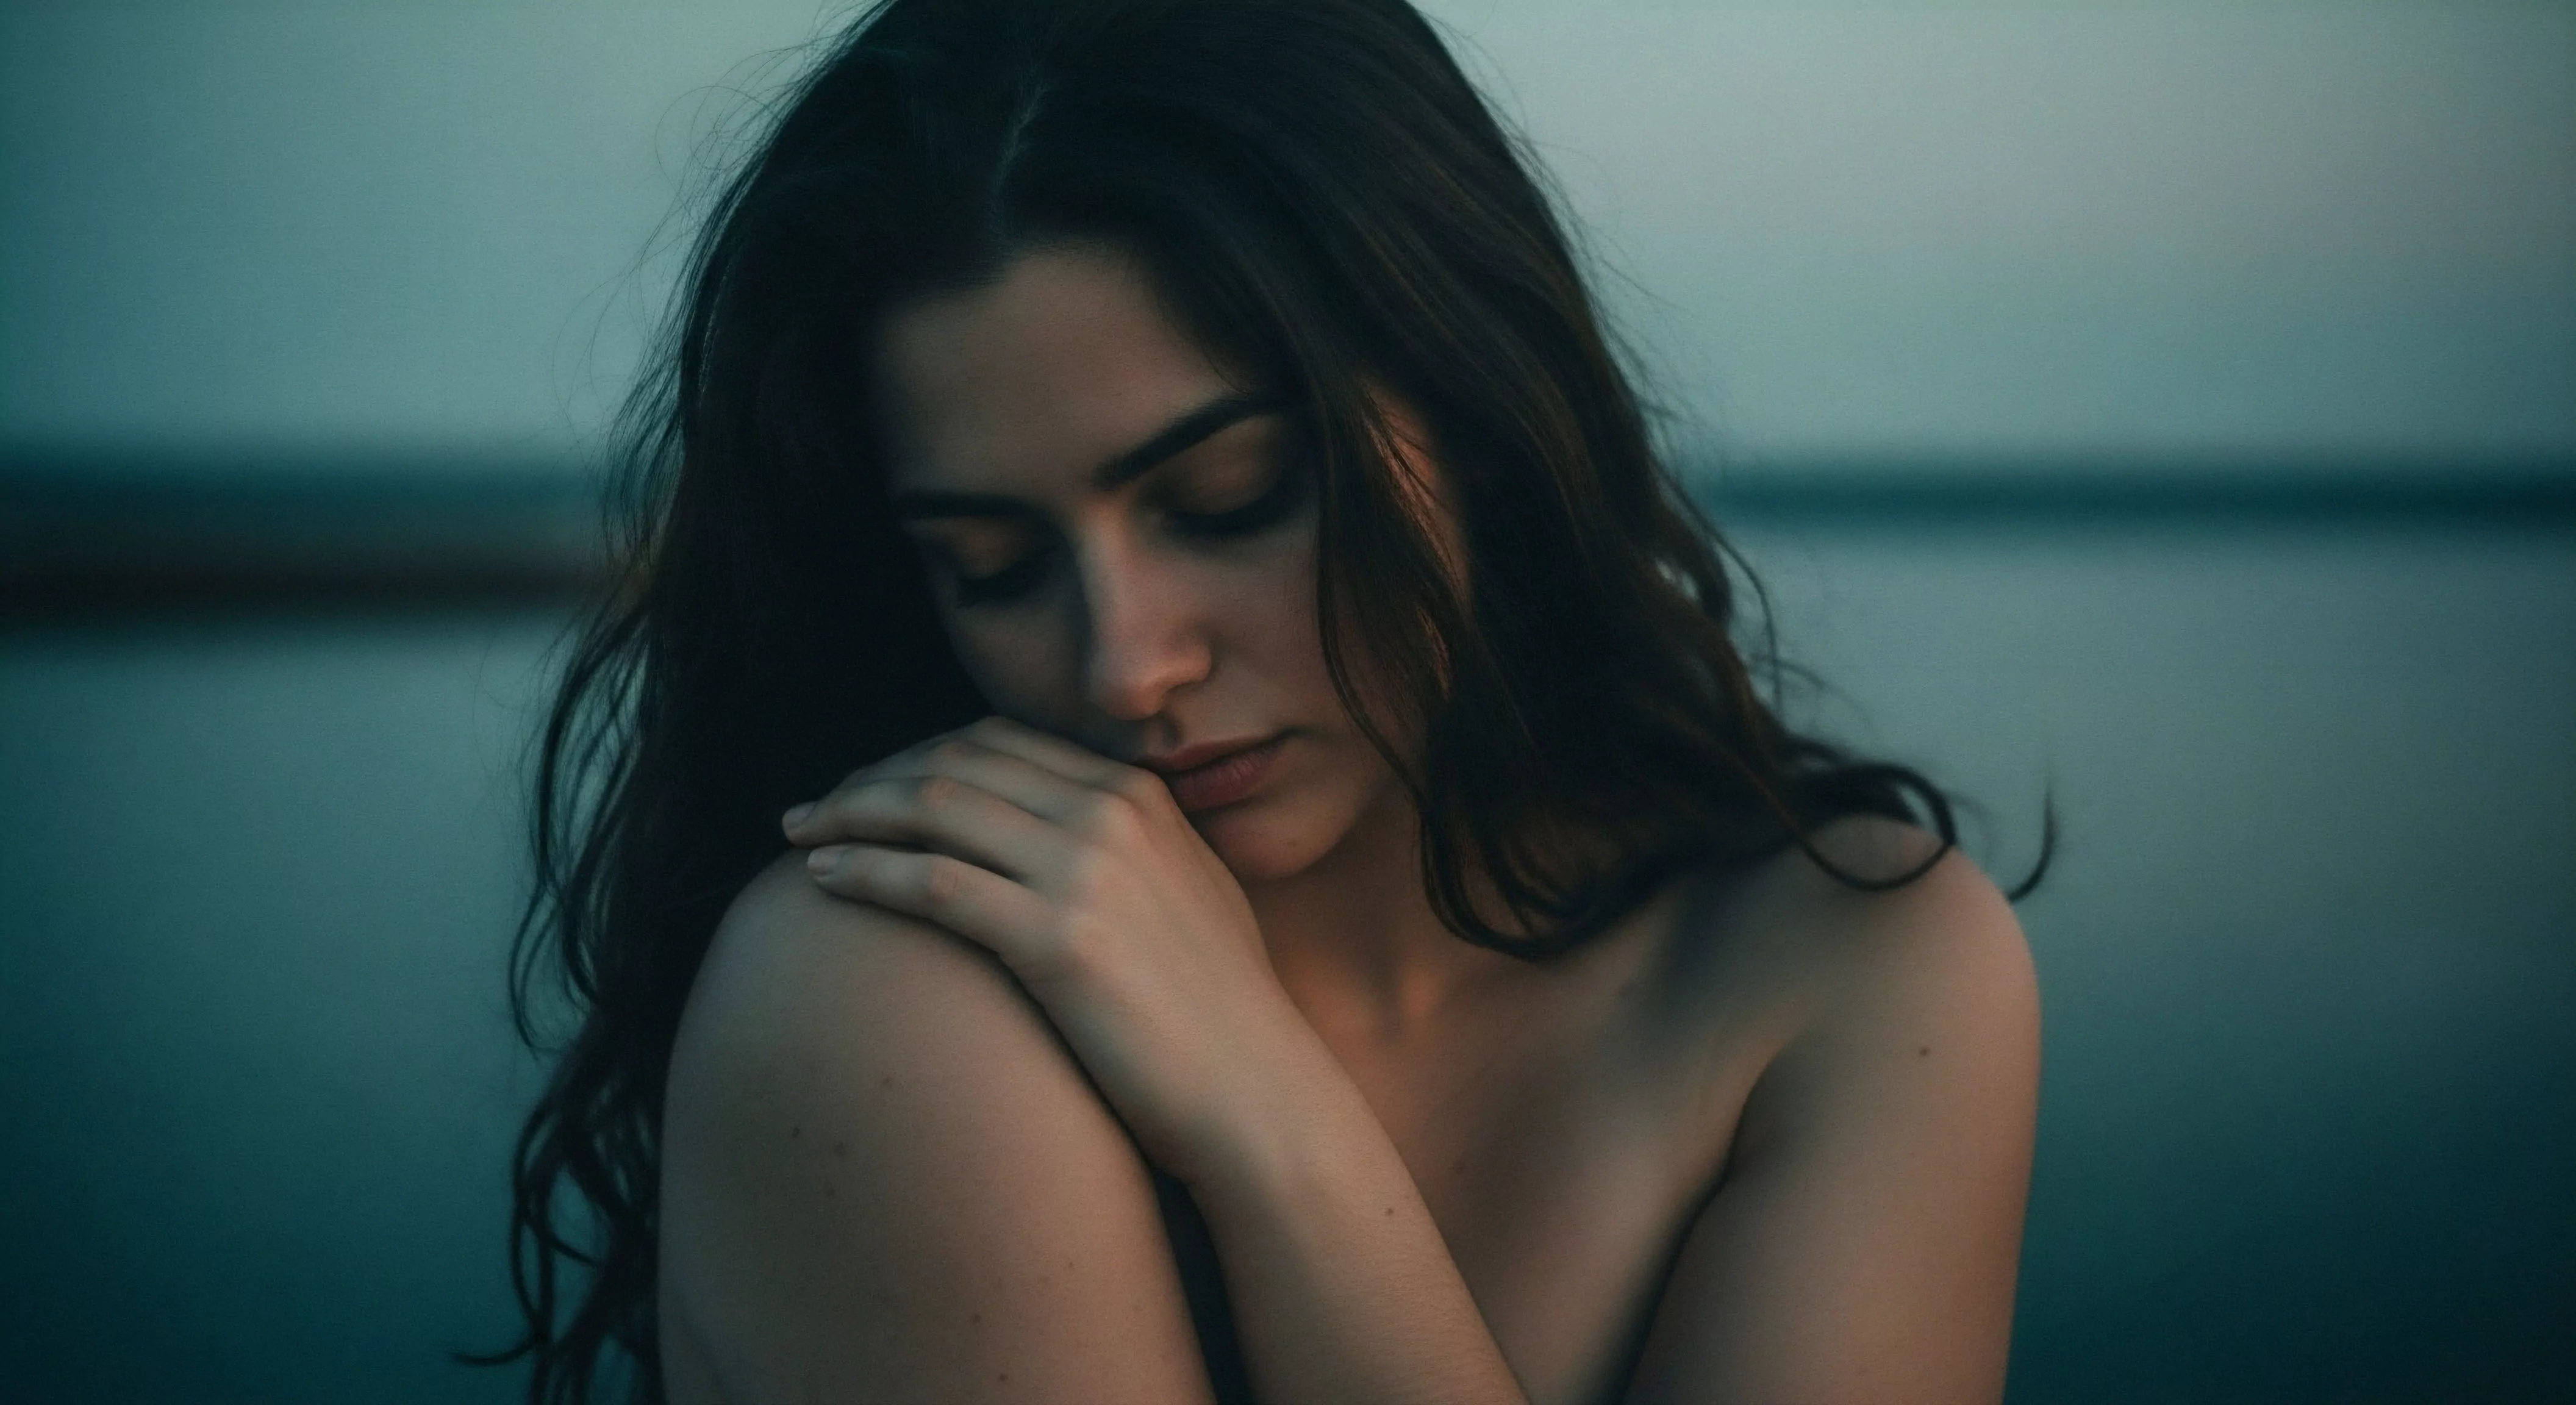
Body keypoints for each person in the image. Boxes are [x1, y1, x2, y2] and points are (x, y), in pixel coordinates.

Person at [490, 1, 2042, 1401]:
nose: (1123, 669)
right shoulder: (893, 979)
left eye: (1231, 500)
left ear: (1481, 408)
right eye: (993, 567)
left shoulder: (1850, 966)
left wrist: (1273, 1127)